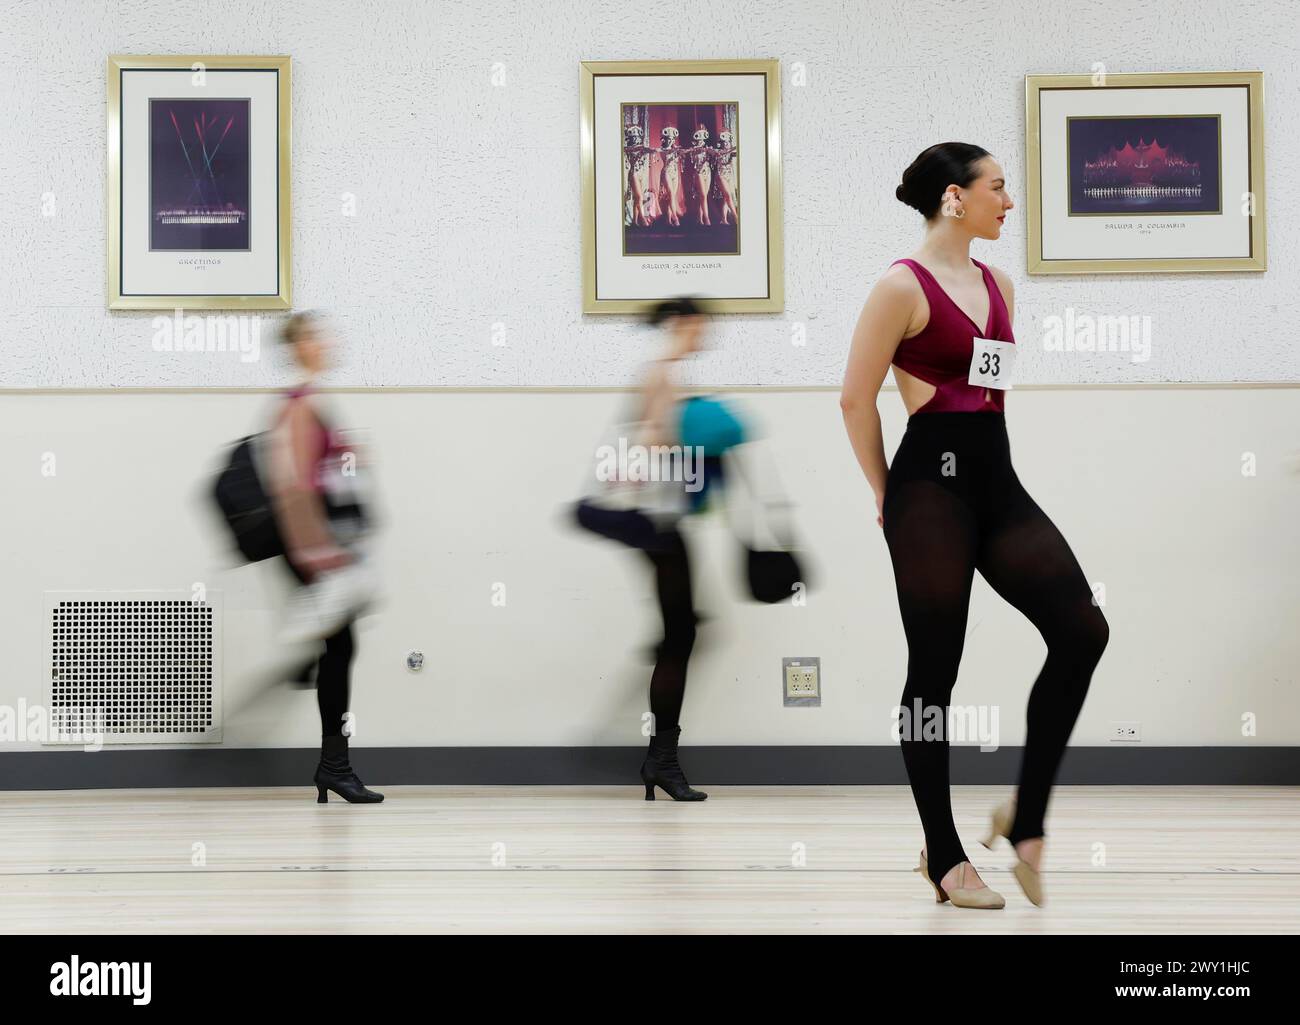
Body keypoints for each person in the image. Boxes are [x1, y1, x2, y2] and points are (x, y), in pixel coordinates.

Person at [839, 143, 1109, 908]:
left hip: (996, 482)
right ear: (955, 198)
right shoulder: (900, 287)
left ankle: (1026, 815)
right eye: (999, 188)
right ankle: (944, 851)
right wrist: (890, 497)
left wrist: (998, 485)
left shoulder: (1001, 285)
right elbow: (855, 400)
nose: (1009, 202)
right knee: (935, 671)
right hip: (929, 493)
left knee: (1084, 629)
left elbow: (991, 395)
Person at [267, 312, 383, 804]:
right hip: (316, 546)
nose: (328, 341)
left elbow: (325, 471)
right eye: (317, 335)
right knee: (340, 650)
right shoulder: (300, 405)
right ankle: (334, 768)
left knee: (340, 648)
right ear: (299, 347)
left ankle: (333, 765)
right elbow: (291, 486)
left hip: (328, 543)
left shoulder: (312, 400)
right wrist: (316, 553)